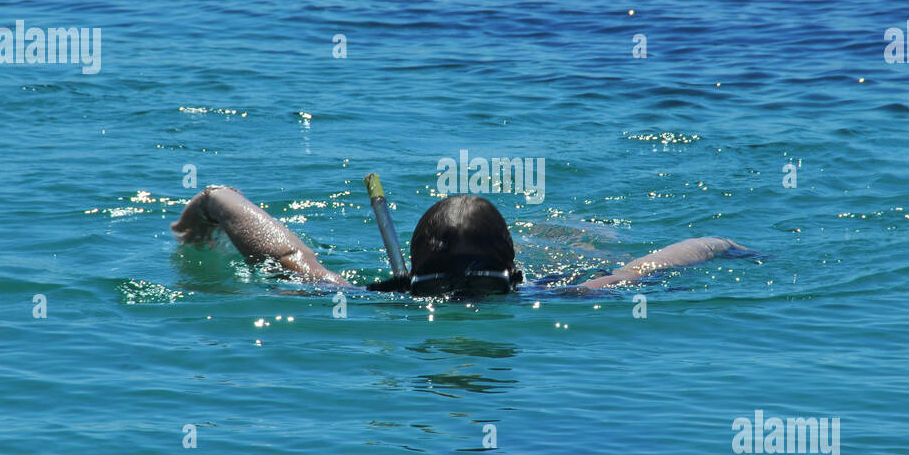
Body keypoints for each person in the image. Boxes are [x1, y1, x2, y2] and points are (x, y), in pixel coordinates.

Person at [171, 184, 753, 296]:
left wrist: (729, 245)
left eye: (478, 282)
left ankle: (570, 234)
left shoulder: (561, 291)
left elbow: (683, 250)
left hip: (549, 264)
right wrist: (209, 206)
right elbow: (282, 251)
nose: (459, 297)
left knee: (588, 252)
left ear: (511, 272)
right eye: (443, 283)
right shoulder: (375, 294)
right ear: (409, 272)